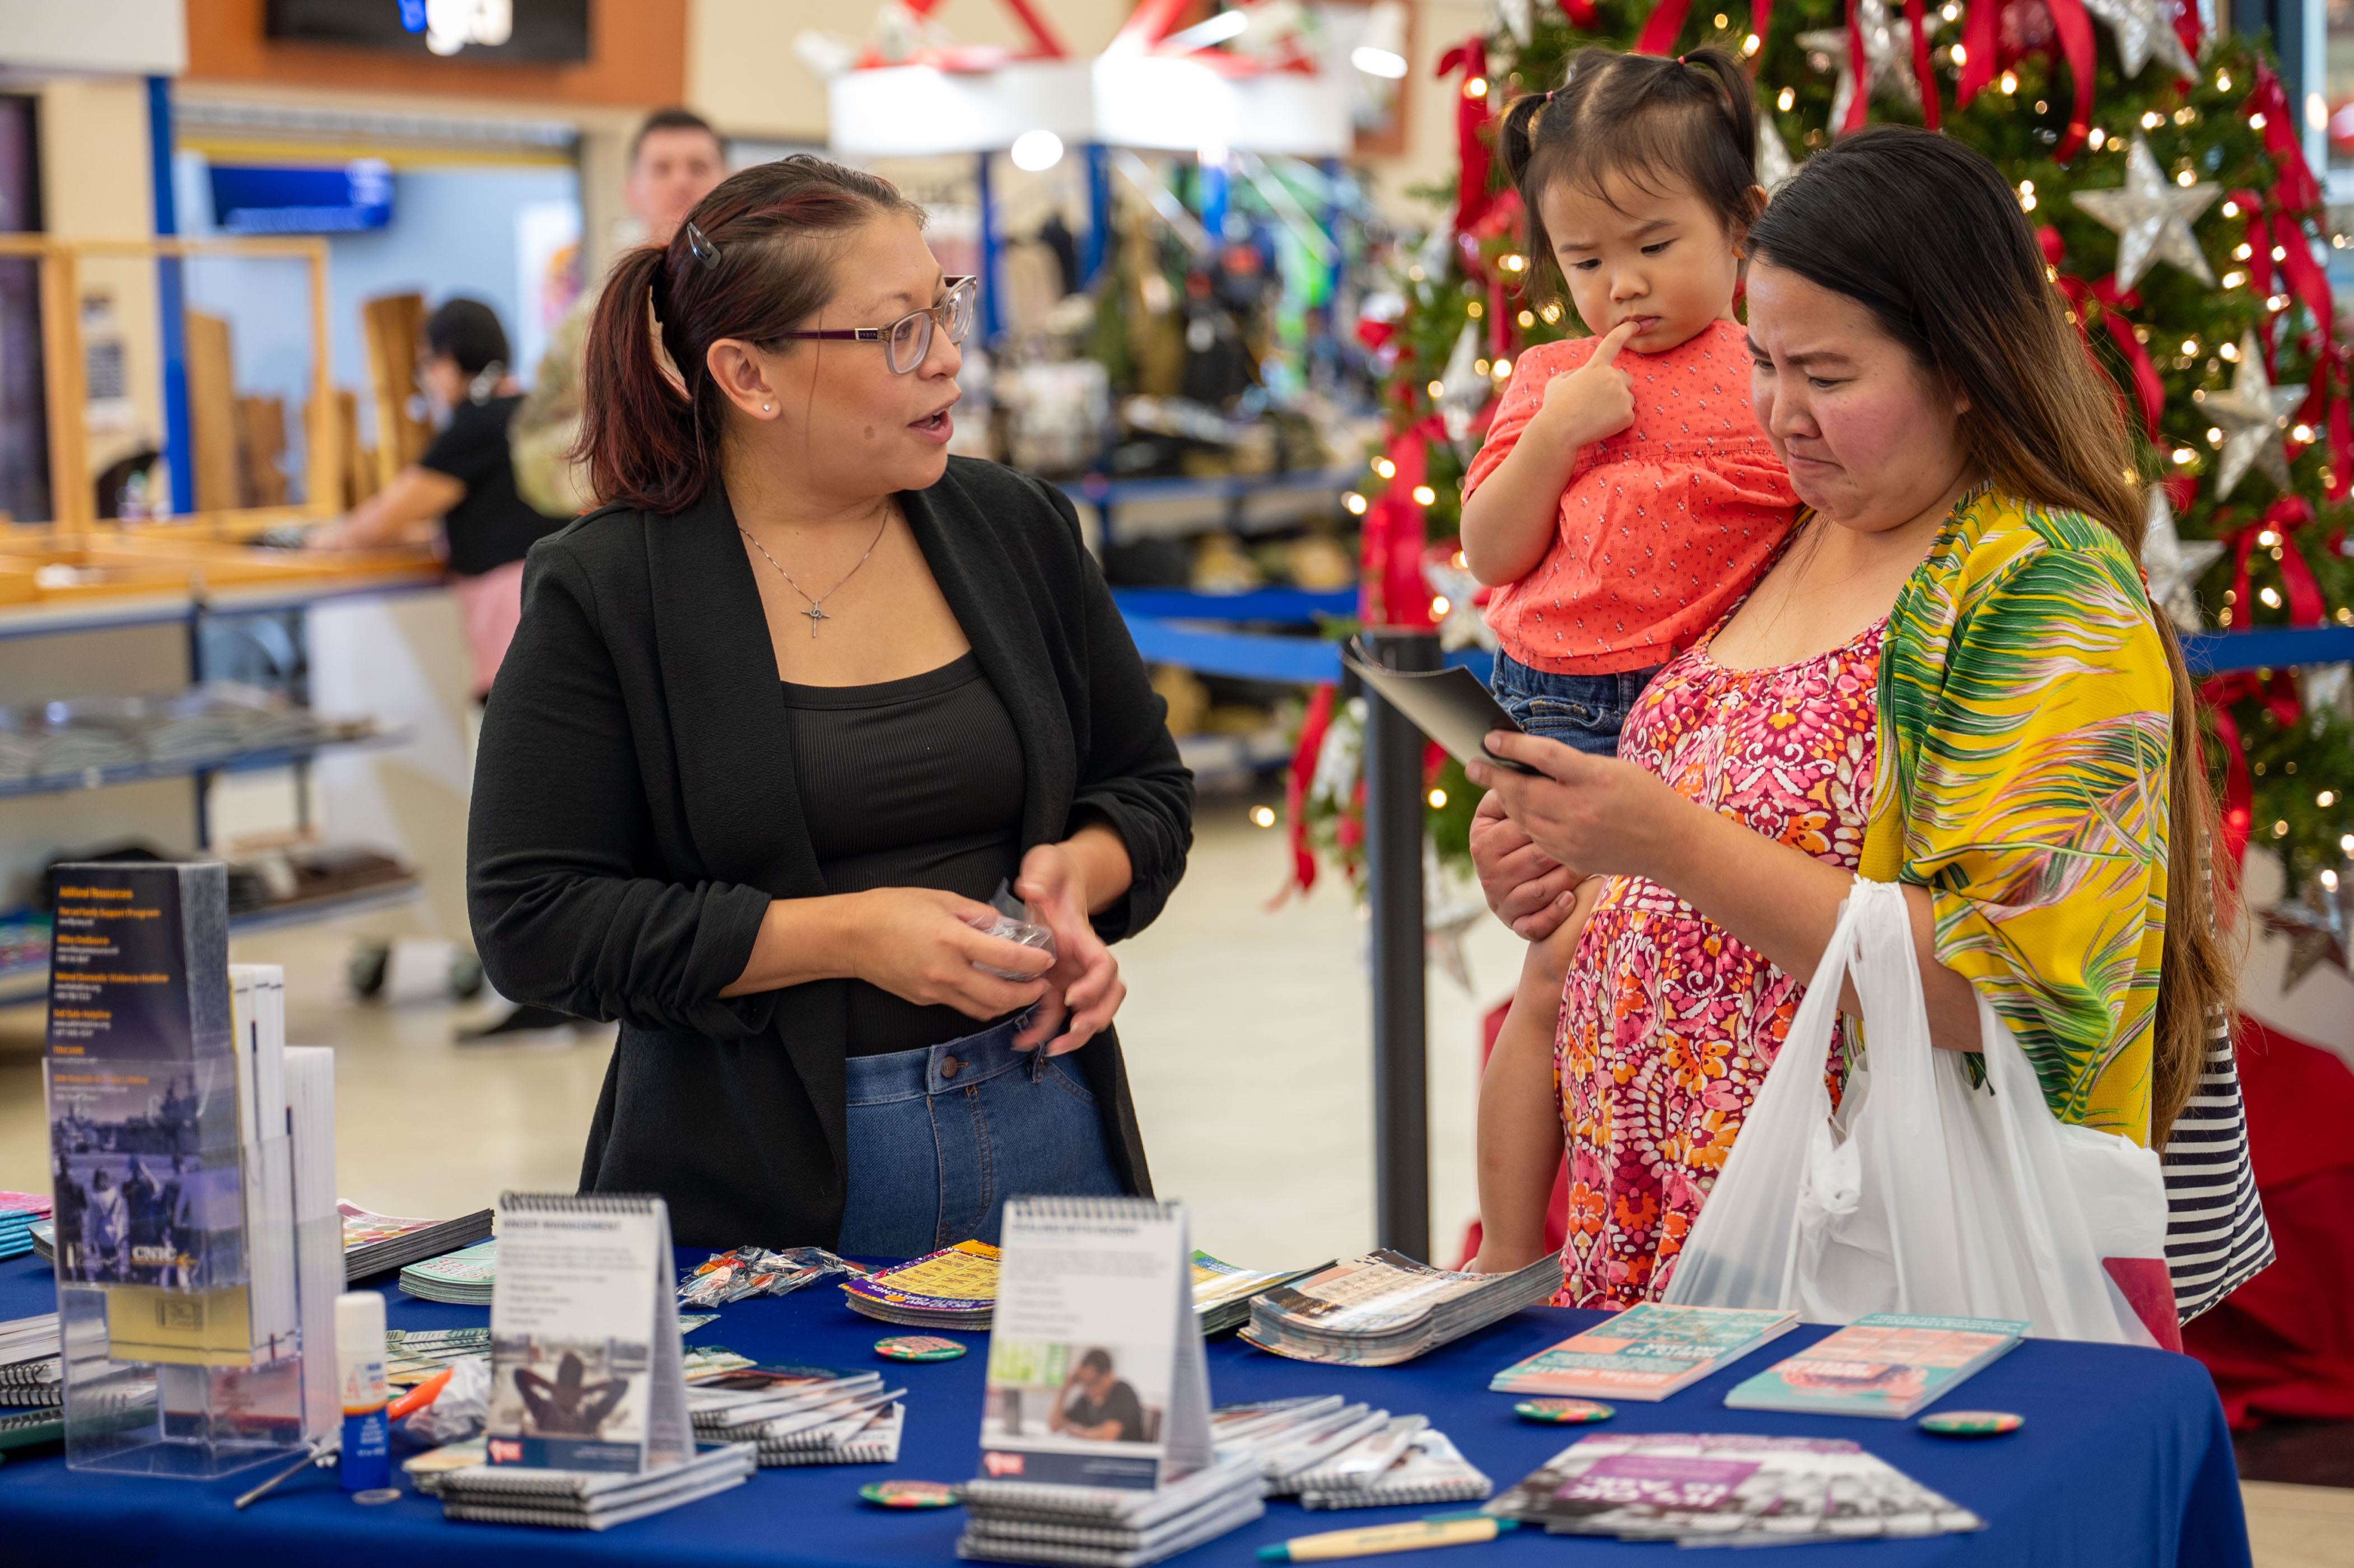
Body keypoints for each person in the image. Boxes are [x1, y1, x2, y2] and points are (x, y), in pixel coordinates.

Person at [1465, 126, 2239, 1315]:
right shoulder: (1783, 528)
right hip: (1661, 1267)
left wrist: (1666, 844)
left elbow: (2018, 994)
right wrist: (1560, 853)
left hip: (1865, 1287)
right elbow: (1698, 829)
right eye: (1761, 363)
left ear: (1963, 365)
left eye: (1826, 377)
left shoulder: (2040, 586)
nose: (1780, 414)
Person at [467, 157, 1194, 1256]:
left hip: (1047, 1125)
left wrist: (1074, 880)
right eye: (897, 330)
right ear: (746, 375)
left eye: (945, 308)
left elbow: (1144, 788)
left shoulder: (1015, 529)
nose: (945, 356)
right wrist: (846, 937)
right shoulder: (611, 587)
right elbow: (535, 921)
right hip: (758, 1184)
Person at [1456, 49, 1800, 1275]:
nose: (1623, 285)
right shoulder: (1553, 378)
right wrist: (1552, 436)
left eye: (1654, 245)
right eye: (1585, 261)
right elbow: (1489, 547)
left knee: (1661, 966)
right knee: (1555, 969)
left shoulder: (1768, 370)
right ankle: (1505, 1251)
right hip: (1558, 703)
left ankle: (1676, 1238)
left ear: (1740, 225)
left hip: (1700, 712)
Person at [310, 298, 566, 702]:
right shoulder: (528, 411)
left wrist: (329, 539)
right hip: (553, 603)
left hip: (513, 617)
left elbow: (387, 516)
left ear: (447, 362)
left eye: (425, 366)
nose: (426, 381)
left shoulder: (478, 423)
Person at [509, 106, 728, 520]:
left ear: (727, 181)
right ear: (633, 190)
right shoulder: (592, 319)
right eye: (662, 169)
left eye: (698, 167)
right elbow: (532, 448)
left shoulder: (764, 300)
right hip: (633, 528)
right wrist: (630, 443)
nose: (681, 181)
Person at [1049, 1349, 1145, 1443]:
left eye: (1092, 1383)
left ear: (1108, 1375)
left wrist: (1075, 1431)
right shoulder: (1087, 1399)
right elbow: (1055, 1426)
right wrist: (1063, 1390)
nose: (1087, 1389)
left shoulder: (1123, 1393)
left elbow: (1107, 1436)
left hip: (1124, 1453)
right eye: (1084, 1383)